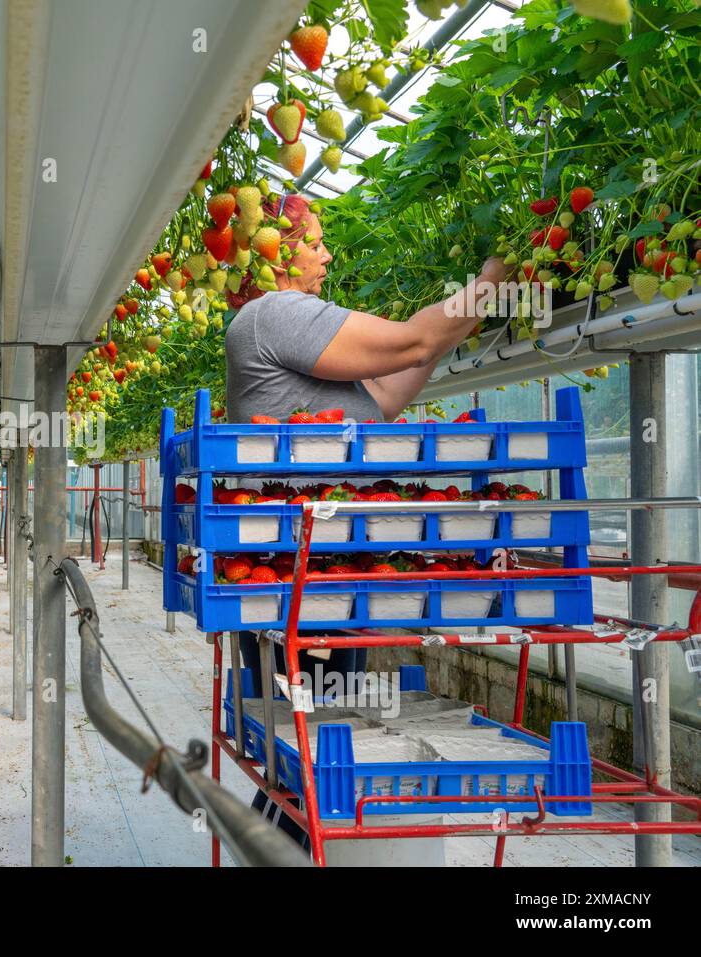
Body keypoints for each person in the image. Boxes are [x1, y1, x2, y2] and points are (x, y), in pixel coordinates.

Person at [223, 193, 515, 837]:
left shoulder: (280, 328)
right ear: (277, 251)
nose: (327, 255)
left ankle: (279, 840)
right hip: (301, 570)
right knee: (311, 731)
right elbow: (410, 342)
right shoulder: (276, 312)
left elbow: (382, 397)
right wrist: (493, 281)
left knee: (303, 738)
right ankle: (293, 843)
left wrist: (449, 327)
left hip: (322, 563)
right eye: (317, 242)